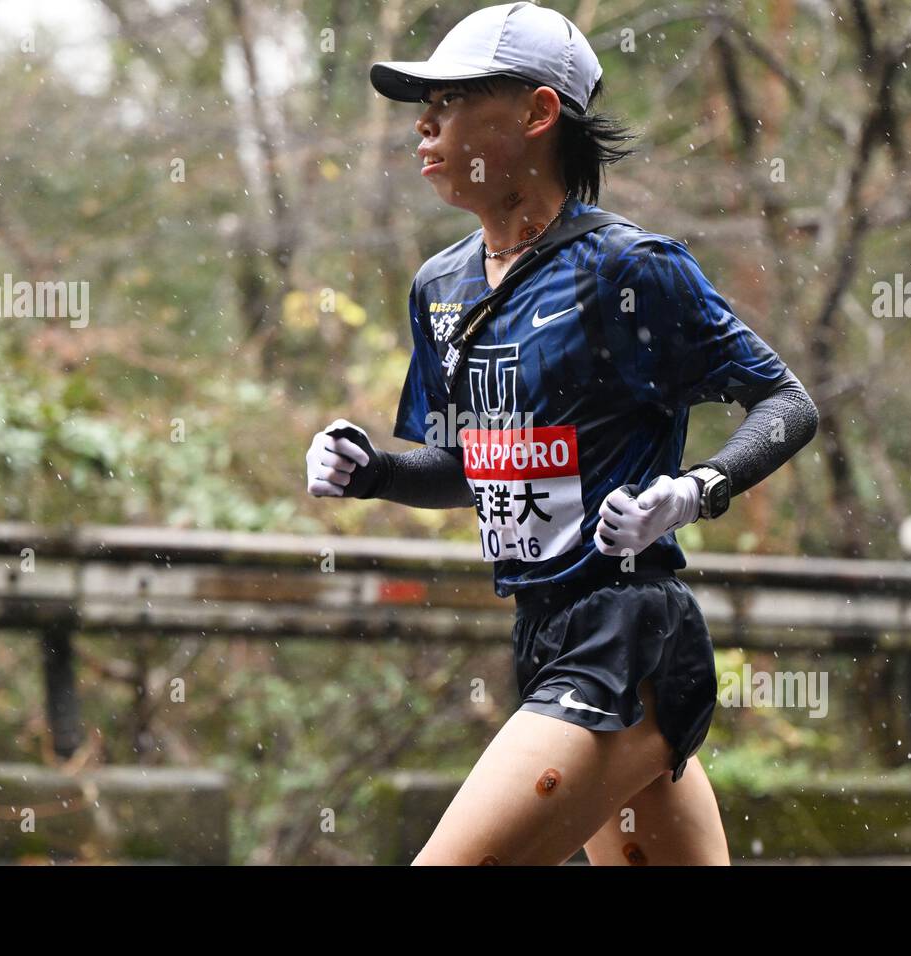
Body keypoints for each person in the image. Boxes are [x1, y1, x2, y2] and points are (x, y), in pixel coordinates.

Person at [305, 2, 818, 865]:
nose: (426, 125)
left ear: (540, 115)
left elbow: (786, 402)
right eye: (422, 104)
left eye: (455, 100)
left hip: (628, 632)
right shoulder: (442, 287)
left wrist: (693, 492)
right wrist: (375, 474)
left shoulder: (631, 270)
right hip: (538, 634)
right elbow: (470, 467)